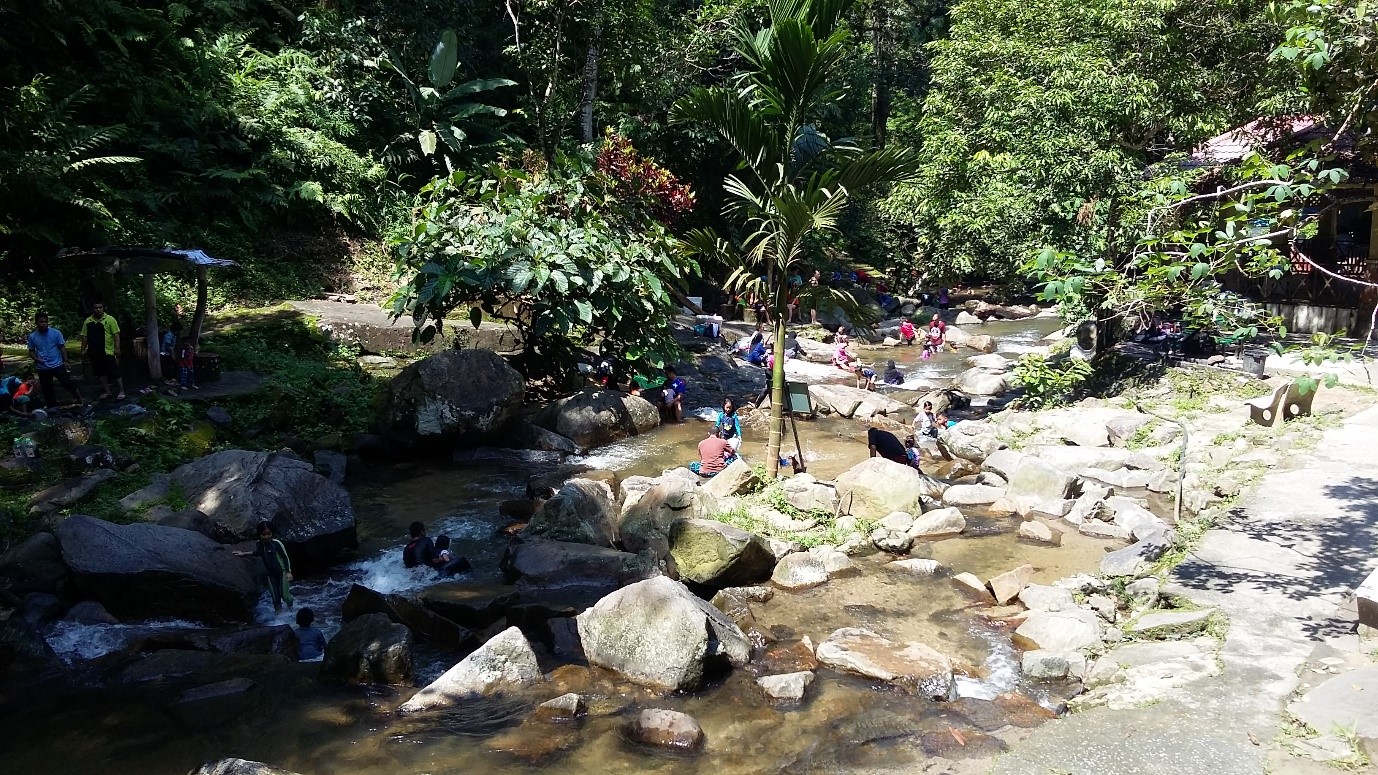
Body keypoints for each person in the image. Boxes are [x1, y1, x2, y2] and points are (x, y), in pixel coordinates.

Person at [27, 312, 84, 407]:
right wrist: (36, 359)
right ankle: (52, 405)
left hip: (57, 364)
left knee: (67, 383)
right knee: (47, 388)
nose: (44, 324)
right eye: (41, 322)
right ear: (37, 323)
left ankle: (80, 399)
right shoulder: (33, 336)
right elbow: (31, 350)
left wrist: (65, 360)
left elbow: (62, 347)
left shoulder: (55, 333)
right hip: (42, 367)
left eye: (45, 322)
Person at [235, 521, 293, 612]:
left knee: (285, 596)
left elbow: (285, 557)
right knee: (275, 597)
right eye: (263, 534)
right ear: (259, 534)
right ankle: (279, 616)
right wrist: (244, 553)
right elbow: (258, 553)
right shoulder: (259, 544)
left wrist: (288, 572)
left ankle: (291, 608)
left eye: (269, 534)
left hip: (282, 573)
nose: (266, 537)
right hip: (270, 575)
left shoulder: (276, 543)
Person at [81, 302, 125, 401]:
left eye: (100, 307)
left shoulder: (110, 319)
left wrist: (117, 348)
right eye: (96, 308)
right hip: (94, 351)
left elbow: (116, 335)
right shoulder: (88, 321)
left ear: (103, 308)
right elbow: (84, 336)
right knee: (100, 373)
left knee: (115, 372)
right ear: (92, 309)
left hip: (108, 350)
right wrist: (83, 349)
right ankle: (107, 391)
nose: (98, 309)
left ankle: (121, 391)